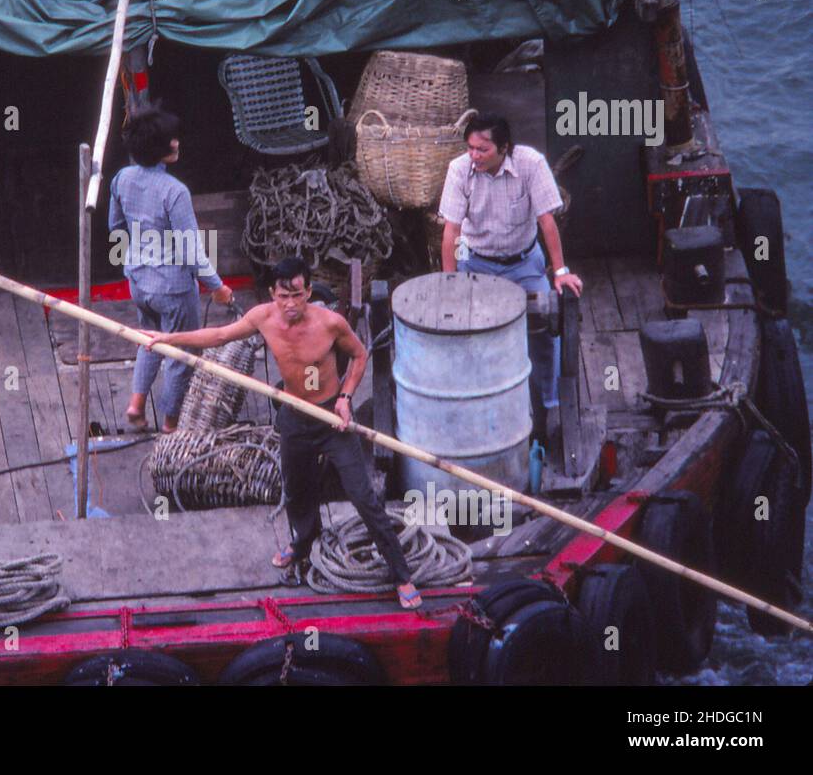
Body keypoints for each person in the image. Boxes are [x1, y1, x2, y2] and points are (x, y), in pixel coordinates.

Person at [144, 256, 421, 610]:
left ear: (308, 292)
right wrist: (167, 337)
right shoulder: (263, 318)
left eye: (297, 295)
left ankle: (402, 574)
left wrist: (347, 398)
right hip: (294, 417)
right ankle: (302, 544)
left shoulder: (330, 323)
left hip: (331, 419)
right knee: (296, 492)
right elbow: (217, 335)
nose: (290, 305)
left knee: (363, 496)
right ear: (272, 294)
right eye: (282, 296)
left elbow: (360, 355)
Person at [438, 114, 583, 444]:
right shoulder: (459, 170)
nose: (474, 155)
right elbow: (451, 232)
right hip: (477, 264)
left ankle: (550, 403)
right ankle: (479, 403)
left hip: (524, 264)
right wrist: (451, 284)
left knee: (546, 329)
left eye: (483, 149)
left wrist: (560, 272)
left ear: (504, 148)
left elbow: (547, 220)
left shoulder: (531, 164)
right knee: (470, 334)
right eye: (471, 148)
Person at [109, 100, 232, 434]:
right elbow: (192, 250)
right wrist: (217, 286)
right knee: (181, 351)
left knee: (149, 339)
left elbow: (115, 226)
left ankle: (136, 405)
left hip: (139, 280)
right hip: (173, 286)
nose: (176, 143)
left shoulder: (122, 179)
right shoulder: (175, 192)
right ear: (157, 148)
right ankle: (171, 423)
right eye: (170, 140)